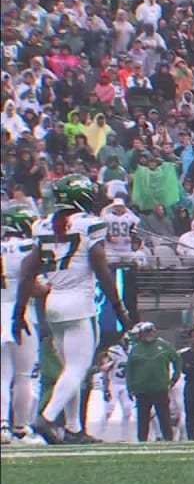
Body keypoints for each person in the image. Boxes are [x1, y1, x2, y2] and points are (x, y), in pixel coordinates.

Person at [15, 175, 132, 444]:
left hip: (53, 301)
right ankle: (46, 417)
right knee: (78, 368)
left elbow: (28, 272)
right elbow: (102, 270)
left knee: (70, 369)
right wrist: (119, 308)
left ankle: (73, 428)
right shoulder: (89, 225)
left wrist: (19, 310)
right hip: (79, 302)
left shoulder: (42, 225)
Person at [1, 207, 40, 443]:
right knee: (24, 375)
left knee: (2, 376)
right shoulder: (27, 248)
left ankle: (2, 427)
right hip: (20, 313)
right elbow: (38, 287)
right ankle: (20, 428)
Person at [124, 322, 181, 442]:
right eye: (146, 332)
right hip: (142, 390)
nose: (149, 334)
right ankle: (142, 440)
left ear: (154, 332)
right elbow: (129, 370)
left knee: (164, 416)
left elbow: (177, 360)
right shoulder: (136, 349)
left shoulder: (164, 345)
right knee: (143, 418)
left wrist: (175, 378)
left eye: (150, 331)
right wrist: (130, 388)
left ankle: (168, 439)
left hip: (160, 388)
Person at [98, 334, 134, 437]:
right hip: (114, 383)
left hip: (126, 384)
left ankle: (125, 435)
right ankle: (100, 433)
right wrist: (105, 387)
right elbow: (104, 369)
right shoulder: (113, 351)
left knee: (128, 410)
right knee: (109, 410)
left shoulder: (134, 350)